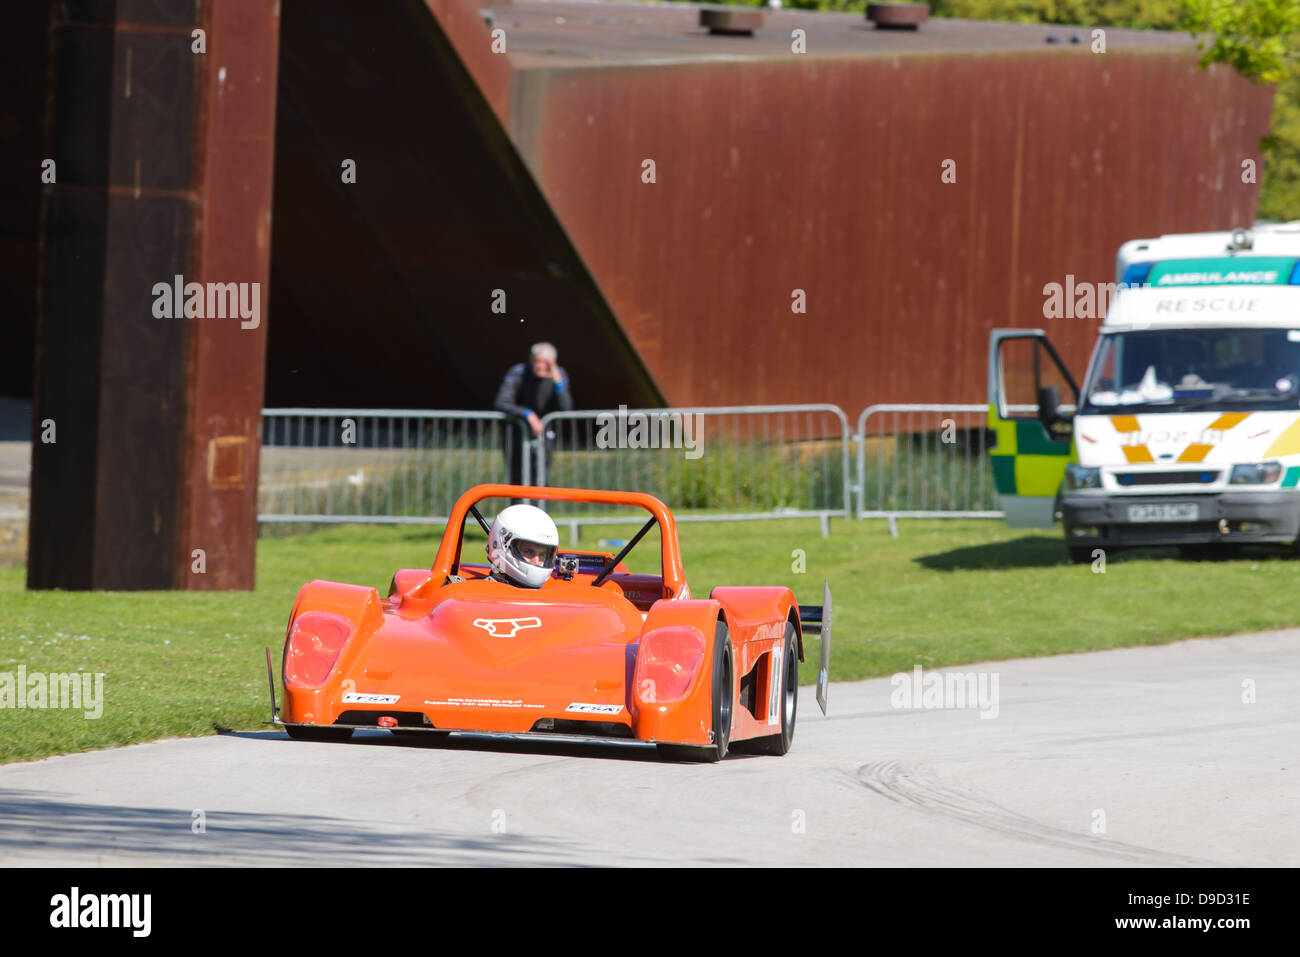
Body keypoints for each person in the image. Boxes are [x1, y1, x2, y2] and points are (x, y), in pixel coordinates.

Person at [493, 342, 573, 487]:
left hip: (544, 434)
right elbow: (502, 401)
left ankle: (538, 509)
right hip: (516, 433)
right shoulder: (518, 372)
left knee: (541, 479)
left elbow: (565, 407)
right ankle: (517, 509)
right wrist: (527, 414)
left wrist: (557, 380)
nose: (540, 365)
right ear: (531, 359)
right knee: (517, 480)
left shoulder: (558, 375)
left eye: (545, 362)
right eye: (537, 361)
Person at [486, 503, 558, 588]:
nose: (536, 561)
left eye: (542, 555)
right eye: (528, 552)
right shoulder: (476, 595)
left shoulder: (553, 594)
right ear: (503, 546)